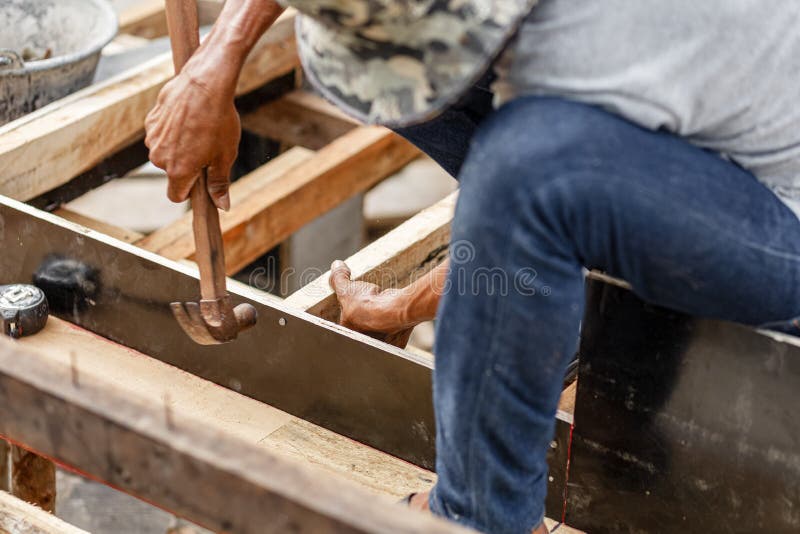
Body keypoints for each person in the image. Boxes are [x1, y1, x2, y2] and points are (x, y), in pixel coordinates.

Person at [144, 1, 800, 532]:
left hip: (779, 228)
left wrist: (399, 305)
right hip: (688, 123)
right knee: (440, 112)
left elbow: (523, 202)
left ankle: (478, 516)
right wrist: (215, 64)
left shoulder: (584, 50)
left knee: (525, 167)